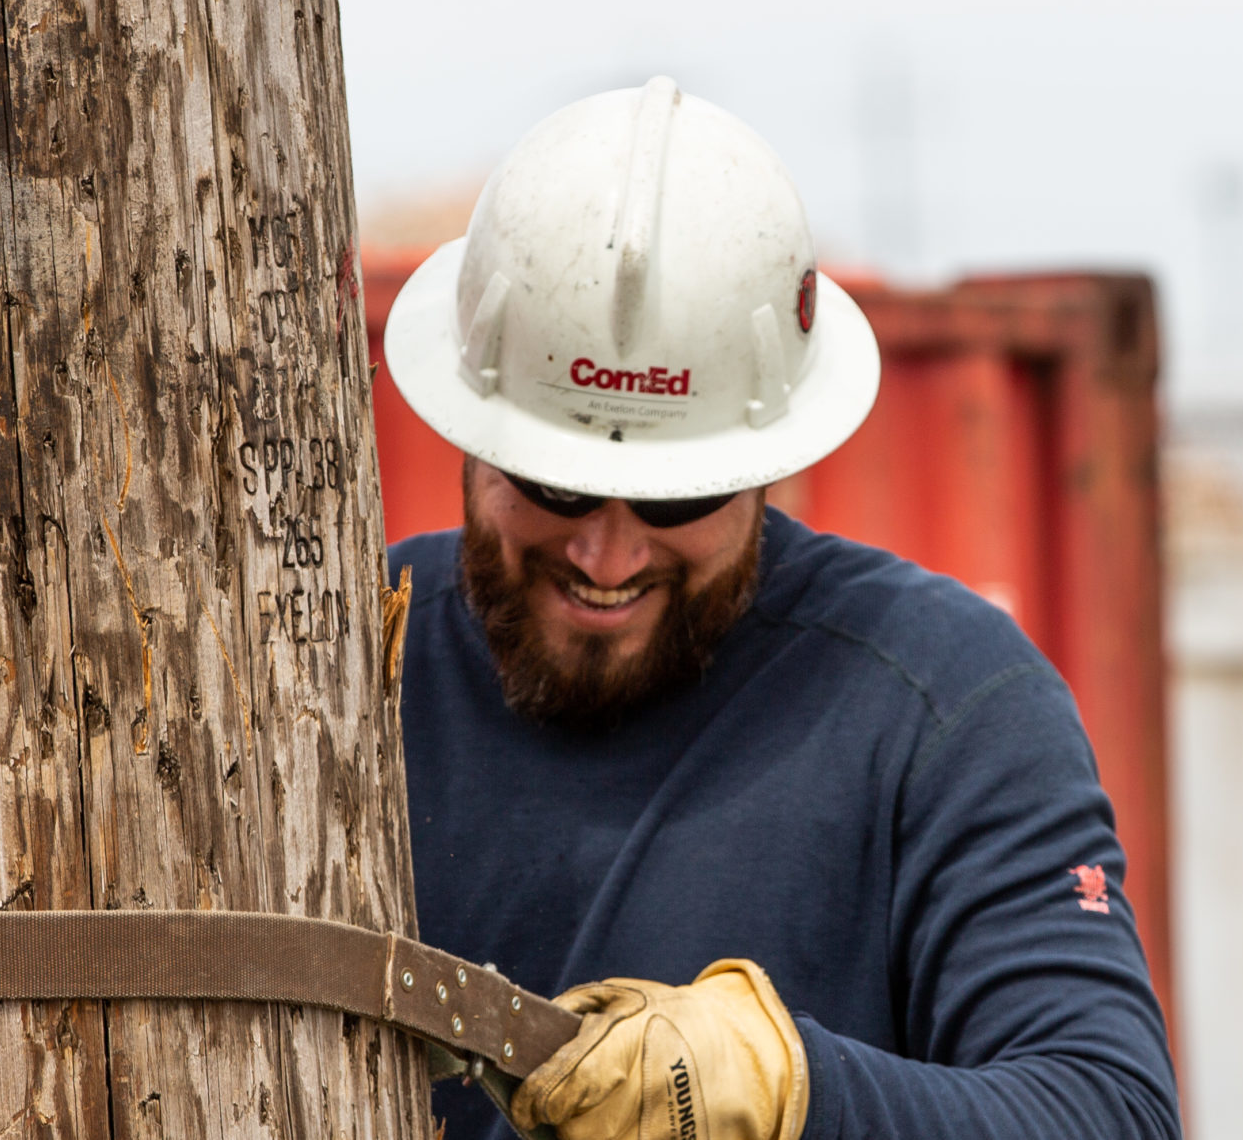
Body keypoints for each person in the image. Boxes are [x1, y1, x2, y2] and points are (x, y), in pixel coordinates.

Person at [381, 77, 1178, 1140]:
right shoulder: (339, 667)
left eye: (676, 498)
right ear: (472, 435)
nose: (606, 554)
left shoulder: (940, 704)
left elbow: (1105, 1112)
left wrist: (786, 1090)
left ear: (767, 465)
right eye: (555, 487)